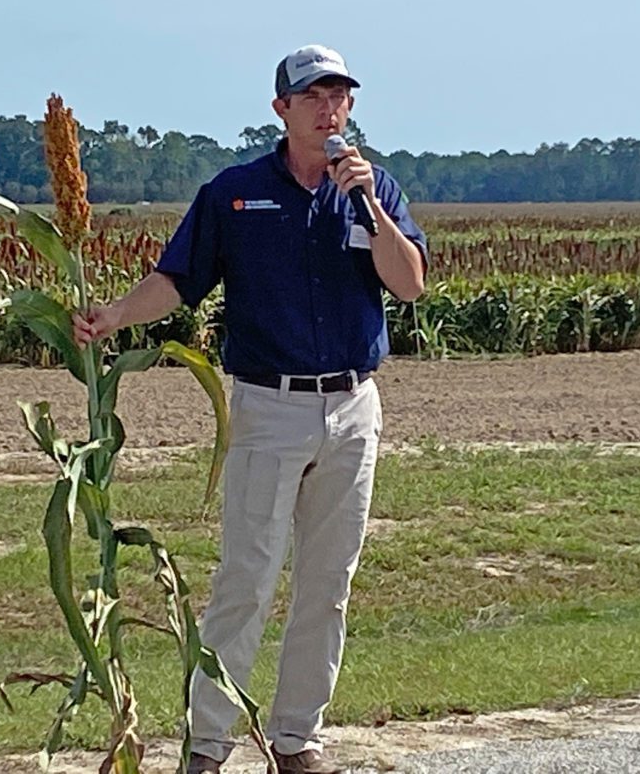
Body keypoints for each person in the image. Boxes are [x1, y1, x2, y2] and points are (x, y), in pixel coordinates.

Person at [73, 43, 427, 774]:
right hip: (270, 404)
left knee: (329, 584)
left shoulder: (374, 189)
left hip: (353, 406)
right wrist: (113, 317)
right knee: (247, 578)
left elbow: (411, 285)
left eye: (340, 96)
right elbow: (179, 278)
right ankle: (208, 742)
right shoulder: (235, 193)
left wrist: (368, 203)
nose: (330, 109)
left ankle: (298, 740)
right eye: (315, 97)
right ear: (282, 110)